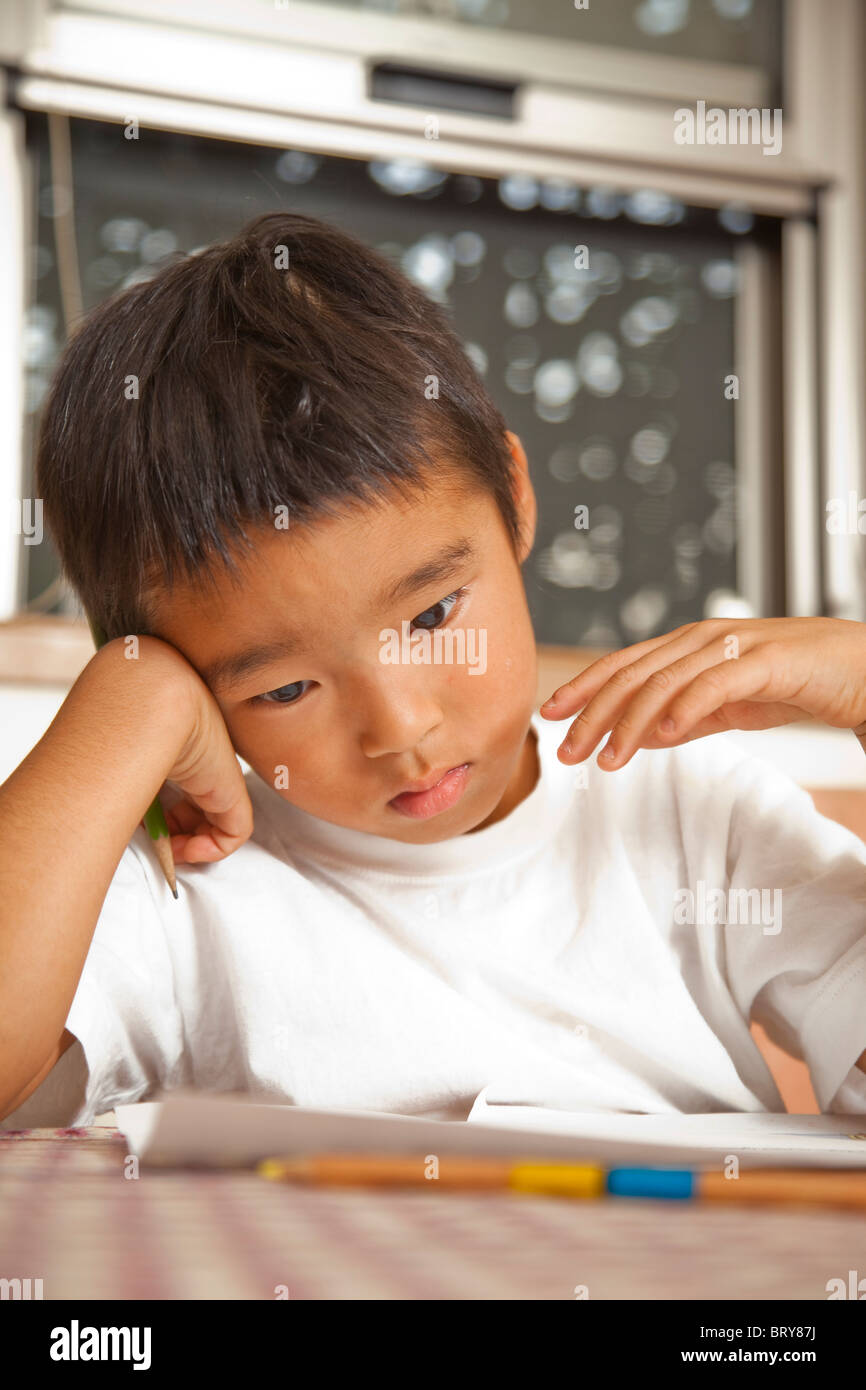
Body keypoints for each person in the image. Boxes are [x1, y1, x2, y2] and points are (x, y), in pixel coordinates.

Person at [2, 212, 865, 1128]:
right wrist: (129, 697)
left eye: (432, 616)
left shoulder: (690, 811)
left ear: (515, 499)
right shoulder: (186, 890)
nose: (400, 727)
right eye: (284, 689)